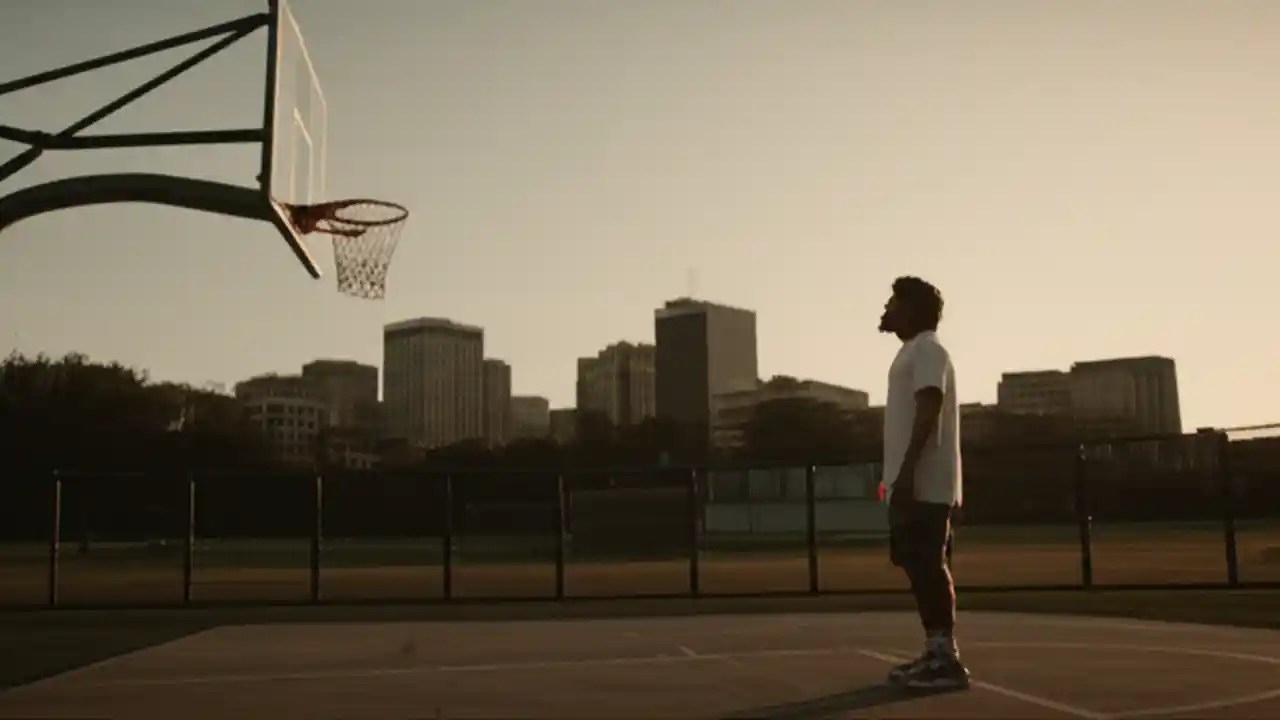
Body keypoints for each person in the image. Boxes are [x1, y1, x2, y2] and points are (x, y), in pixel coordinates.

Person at [877, 276, 970, 690]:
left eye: (893, 302)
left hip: (924, 482)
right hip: (911, 480)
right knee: (916, 563)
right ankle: (935, 650)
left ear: (912, 309)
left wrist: (909, 471)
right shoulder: (911, 352)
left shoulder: (928, 349)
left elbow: (929, 408)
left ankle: (945, 658)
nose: (886, 308)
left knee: (929, 564)